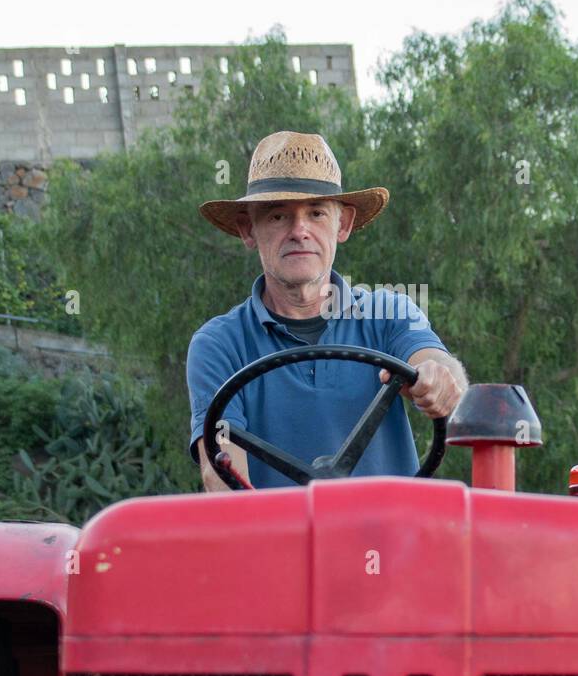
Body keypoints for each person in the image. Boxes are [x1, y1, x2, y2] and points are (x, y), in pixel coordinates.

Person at [186, 130, 468, 490]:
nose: (299, 230)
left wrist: (438, 378)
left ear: (343, 224)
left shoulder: (389, 312)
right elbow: (223, 473)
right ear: (248, 229)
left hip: (392, 542)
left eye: (316, 213)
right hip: (281, 543)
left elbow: (440, 367)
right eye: (277, 216)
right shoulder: (219, 344)